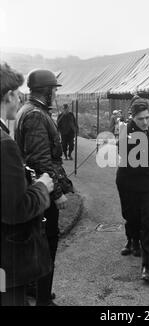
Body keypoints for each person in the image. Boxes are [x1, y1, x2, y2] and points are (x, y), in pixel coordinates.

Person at [15, 69, 74, 305]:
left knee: (37, 243)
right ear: (48, 90)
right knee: (47, 243)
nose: (55, 94)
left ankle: (35, 288)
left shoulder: (30, 110)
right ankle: (42, 299)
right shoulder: (36, 115)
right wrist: (57, 193)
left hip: (35, 188)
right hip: (43, 191)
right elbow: (40, 160)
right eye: (54, 90)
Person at [0, 63, 54, 306]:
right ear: (10, 95)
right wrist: (43, 187)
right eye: (17, 93)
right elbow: (15, 210)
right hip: (6, 258)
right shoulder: (4, 144)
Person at [116, 96, 149, 283]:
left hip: (148, 185)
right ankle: (132, 240)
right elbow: (128, 162)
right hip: (128, 182)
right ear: (132, 118)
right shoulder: (124, 132)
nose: (145, 122)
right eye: (140, 119)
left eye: (147, 117)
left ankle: (147, 264)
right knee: (131, 216)